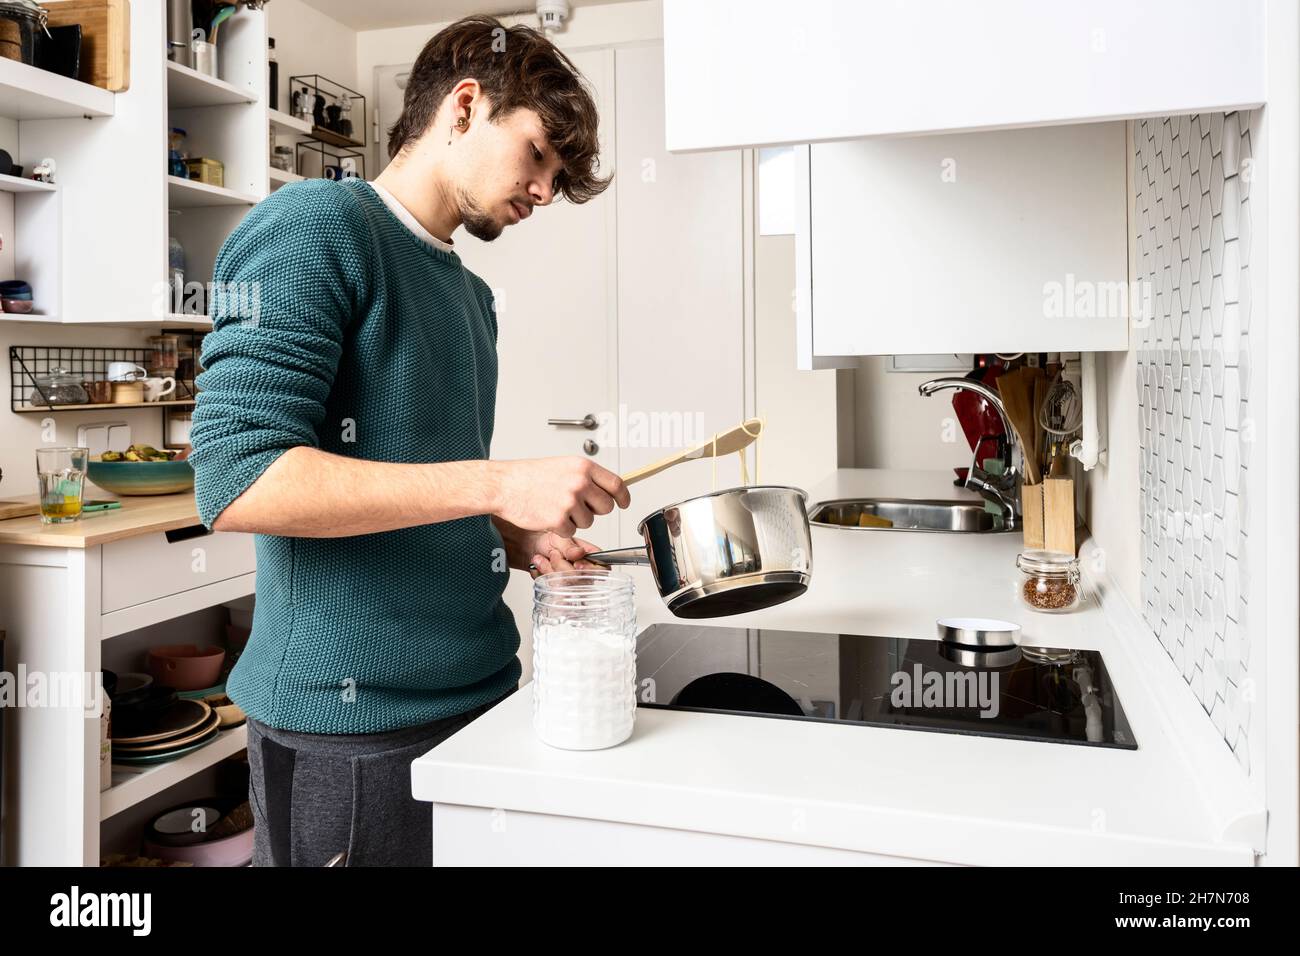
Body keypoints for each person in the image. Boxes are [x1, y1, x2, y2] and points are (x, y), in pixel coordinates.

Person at [189, 15, 627, 866]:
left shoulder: (472, 298)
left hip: (485, 697)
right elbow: (238, 480)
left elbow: (414, 480)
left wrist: (516, 533)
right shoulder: (318, 226)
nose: (544, 192)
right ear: (464, 106)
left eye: (559, 176)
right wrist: (498, 487)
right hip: (350, 731)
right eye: (538, 154)